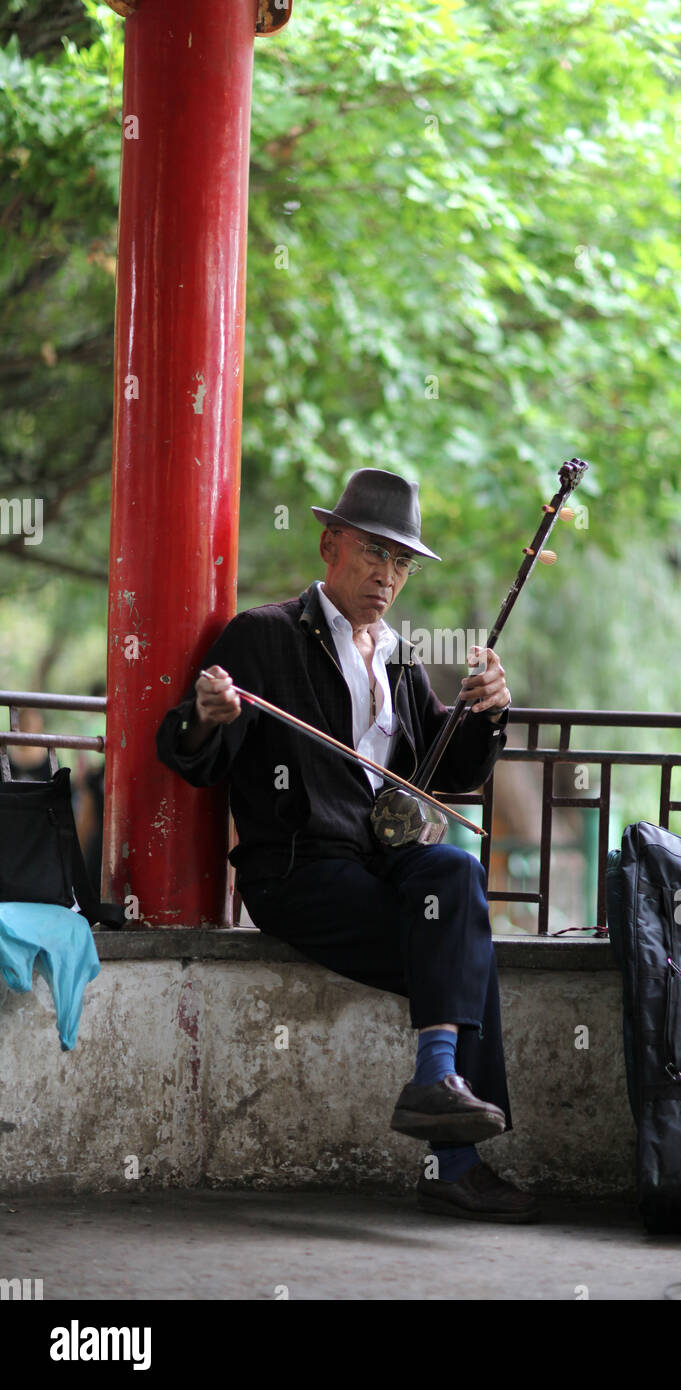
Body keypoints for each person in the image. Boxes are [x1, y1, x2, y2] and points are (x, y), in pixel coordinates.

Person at [156, 468, 539, 1222]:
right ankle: (453, 1159)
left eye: (401, 562)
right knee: (462, 944)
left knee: (456, 877)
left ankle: (437, 1083)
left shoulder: (398, 658)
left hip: (381, 867)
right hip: (298, 871)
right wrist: (207, 714)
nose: (387, 576)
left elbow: (449, 769)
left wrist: (489, 713)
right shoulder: (265, 637)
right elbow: (189, 753)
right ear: (330, 545)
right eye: (373, 552)